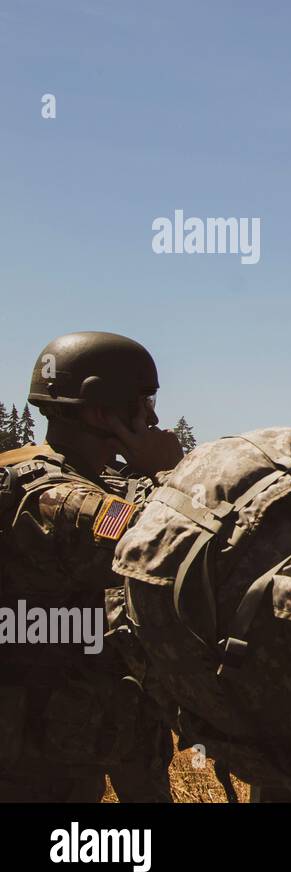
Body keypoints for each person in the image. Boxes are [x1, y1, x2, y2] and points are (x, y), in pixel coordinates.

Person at [0, 332, 181, 801]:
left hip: (79, 731)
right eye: (144, 403)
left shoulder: (87, 480)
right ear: (101, 412)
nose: (154, 416)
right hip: (41, 755)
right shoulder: (52, 493)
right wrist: (167, 473)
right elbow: (153, 540)